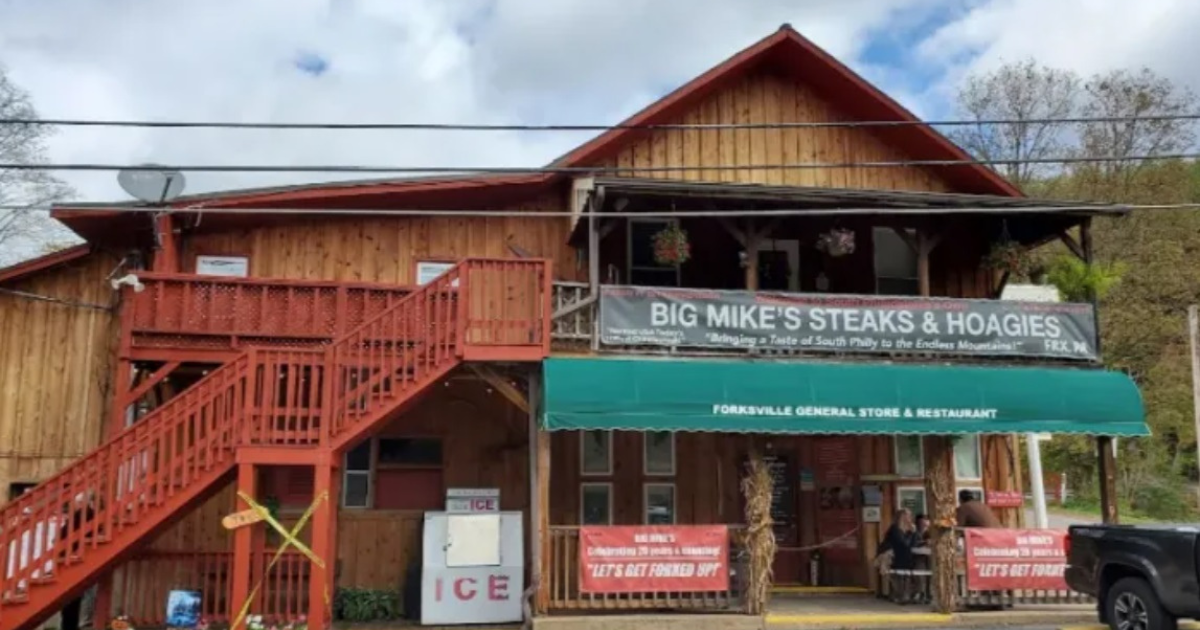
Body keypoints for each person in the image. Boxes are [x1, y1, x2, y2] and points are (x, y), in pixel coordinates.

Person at [876, 508, 919, 603]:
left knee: (917, 565)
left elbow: (914, 544)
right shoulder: (895, 529)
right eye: (907, 516)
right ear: (901, 517)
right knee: (903, 571)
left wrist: (914, 533)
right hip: (893, 556)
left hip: (903, 557)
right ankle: (901, 594)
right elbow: (904, 544)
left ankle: (908, 594)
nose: (909, 518)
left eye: (910, 516)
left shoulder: (908, 530)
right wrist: (913, 533)